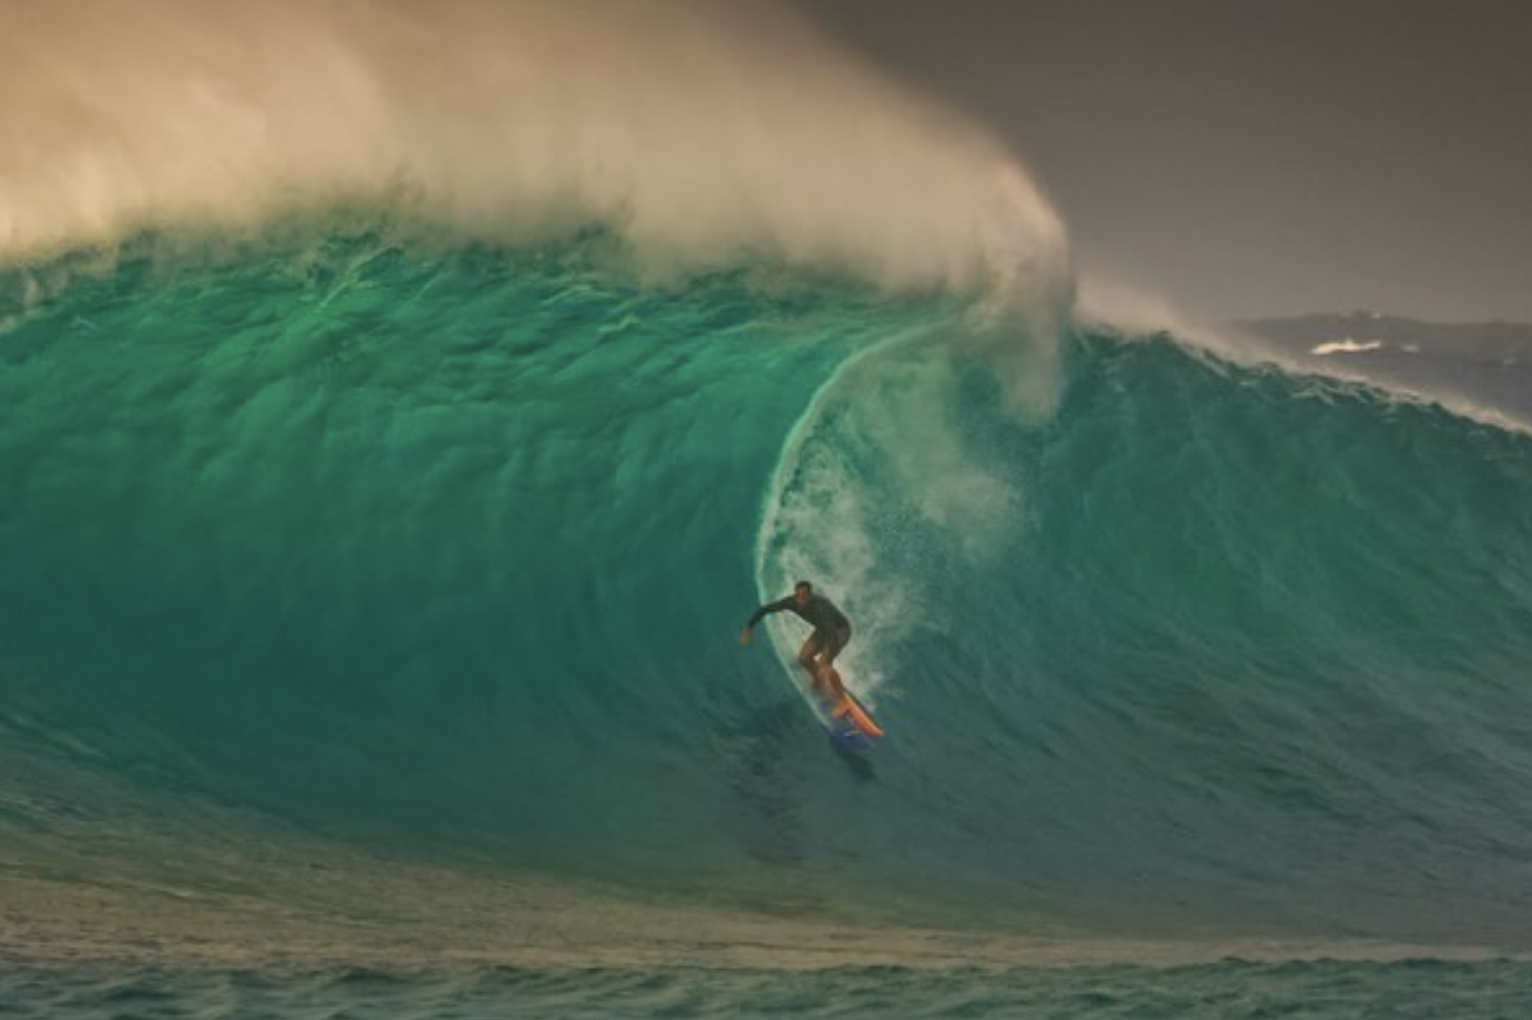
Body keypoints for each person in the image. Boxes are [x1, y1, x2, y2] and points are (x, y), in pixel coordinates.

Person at [740, 580, 852, 698]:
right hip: (822, 629)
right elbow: (767, 608)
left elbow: (831, 634)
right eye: (798, 596)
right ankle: (818, 680)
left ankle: (842, 697)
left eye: (804, 597)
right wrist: (749, 627)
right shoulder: (791, 602)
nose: (800, 600)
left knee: (824, 665)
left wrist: (827, 661)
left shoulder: (820, 607)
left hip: (840, 630)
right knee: (804, 658)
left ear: (810, 596)